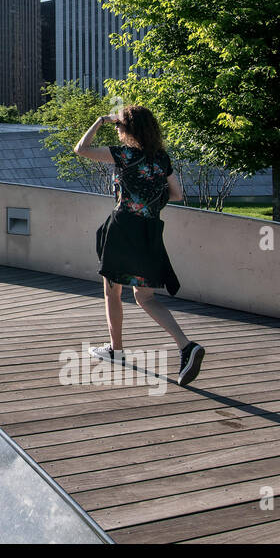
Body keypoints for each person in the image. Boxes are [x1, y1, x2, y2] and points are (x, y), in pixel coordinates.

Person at [73, 105, 205, 386]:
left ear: (130, 130)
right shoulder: (160, 159)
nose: (117, 131)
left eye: (119, 126)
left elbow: (81, 149)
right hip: (149, 231)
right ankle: (186, 346)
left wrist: (100, 120)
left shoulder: (124, 154)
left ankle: (116, 350)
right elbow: (178, 194)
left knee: (112, 292)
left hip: (122, 229)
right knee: (146, 298)